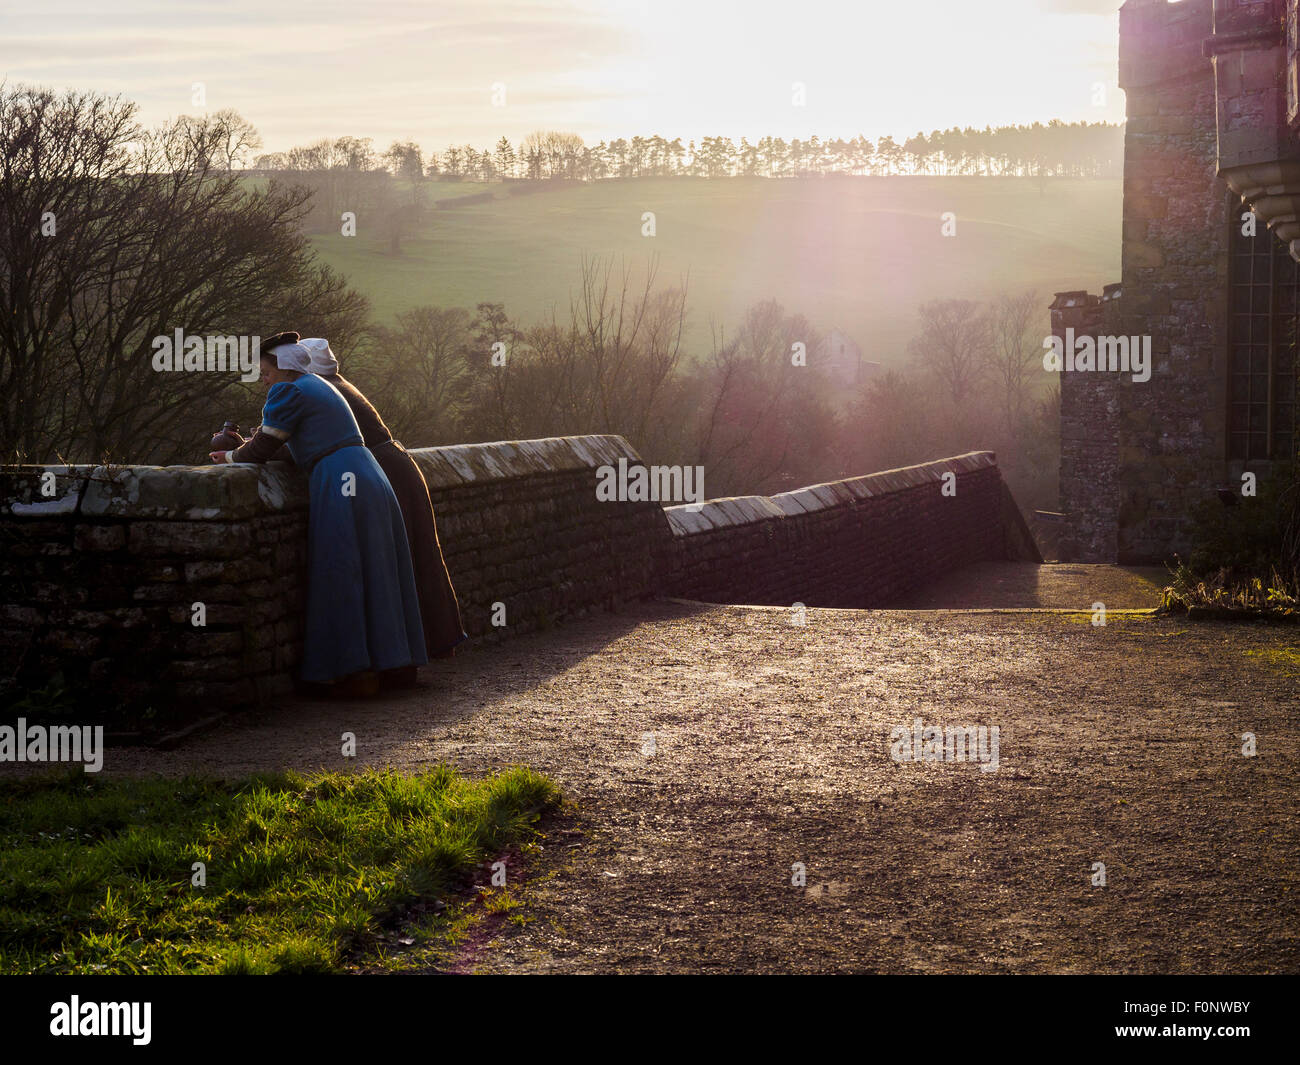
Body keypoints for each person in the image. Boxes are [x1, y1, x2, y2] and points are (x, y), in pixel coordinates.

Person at [209, 336, 427, 697]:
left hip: (339, 479)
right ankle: (396, 666)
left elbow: (265, 446)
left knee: (341, 566)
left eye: (266, 371)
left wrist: (229, 458)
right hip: (367, 473)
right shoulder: (318, 386)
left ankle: (355, 673)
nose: (263, 379)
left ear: (284, 367)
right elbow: (297, 447)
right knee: (379, 568)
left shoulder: (288, 392)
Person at [293, 334, 468, 662]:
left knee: (395, 563)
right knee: (418, 558)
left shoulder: (322, 392)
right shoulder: (339, 387)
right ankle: (430, 644)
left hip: (383, 471)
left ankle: (399, 654)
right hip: (396, 466)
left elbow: (301, 439)